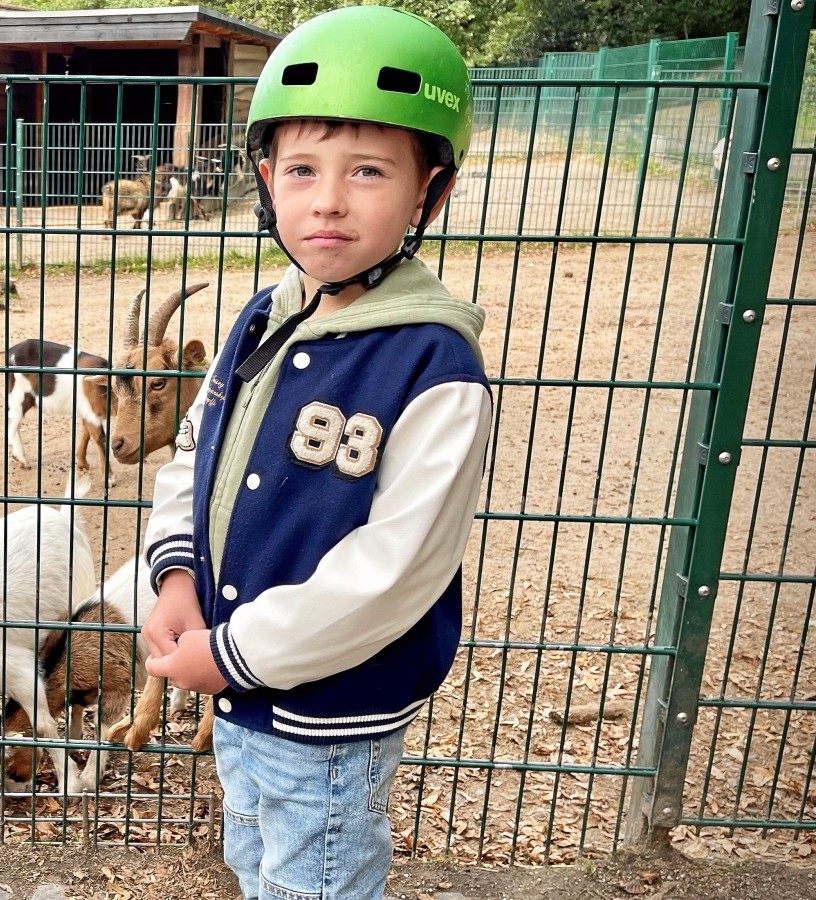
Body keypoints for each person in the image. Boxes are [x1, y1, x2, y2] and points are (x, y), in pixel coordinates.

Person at [139, 7, 493, 899]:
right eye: (302, 170)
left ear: (429, 193)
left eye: (368, 171)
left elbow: (394, 569)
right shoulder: (261, 318)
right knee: (257, 865)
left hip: (329, 715)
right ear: (266, 179)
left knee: (316, 882)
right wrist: (176, 575)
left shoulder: (432, 363)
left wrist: (232, 654)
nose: (328, 200)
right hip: (236, 685)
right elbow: (195, 452)